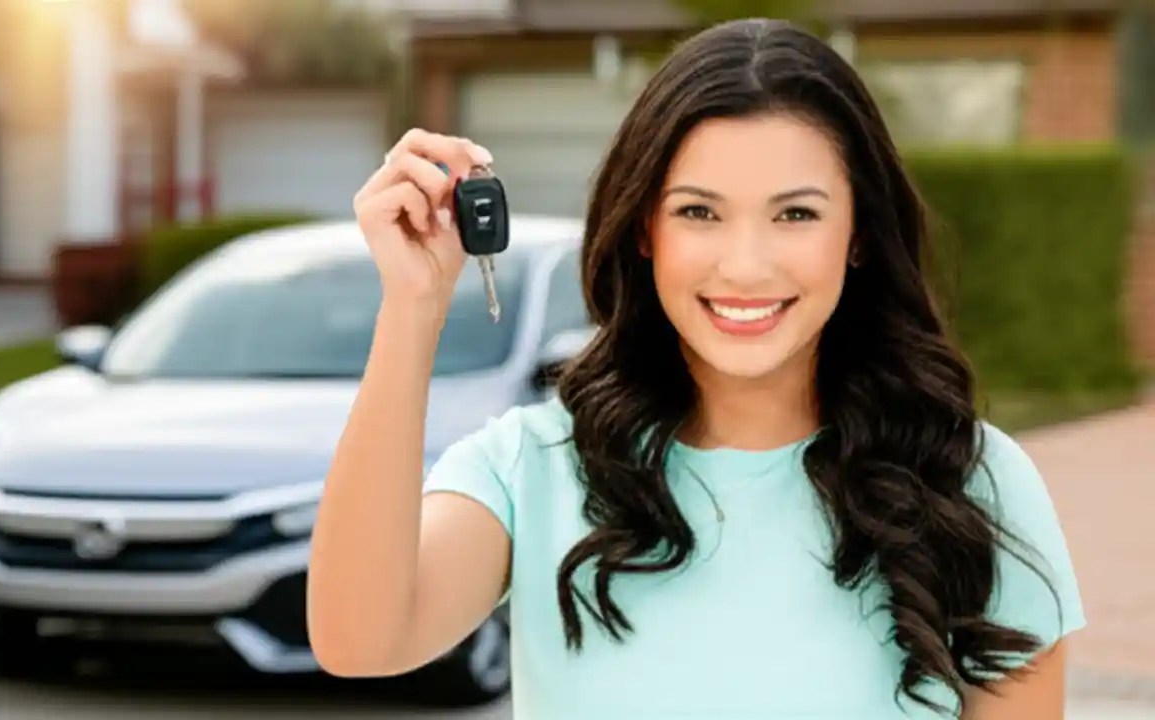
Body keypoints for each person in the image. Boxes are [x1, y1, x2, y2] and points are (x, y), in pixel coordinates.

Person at [306, 17, 1085, 719]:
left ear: (858, 236)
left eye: (796, 214)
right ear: (645, 229)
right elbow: (358, 641)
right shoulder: (532, 468)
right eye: (699, 212)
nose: (744, 266)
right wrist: (413, 309)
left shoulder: (976, 485)